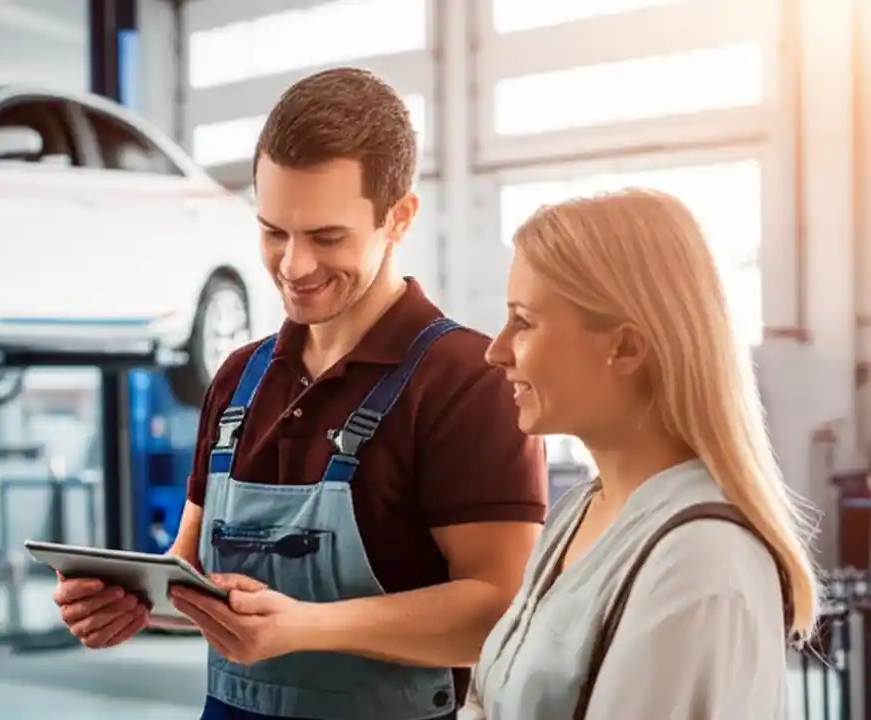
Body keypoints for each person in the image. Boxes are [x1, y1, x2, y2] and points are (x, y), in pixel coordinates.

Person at [52, 67, 548, 719]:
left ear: (398, 217)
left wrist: (307, 627)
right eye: (273, 231)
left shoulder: (468, 380)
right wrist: (139, 600)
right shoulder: (236, 381)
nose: (293, 265)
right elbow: (193, 570)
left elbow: (500, 612)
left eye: (326, 237)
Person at [463, 188, 820, 719]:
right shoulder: (578, 514)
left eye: (524, 321)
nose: (495, 350)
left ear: (626, 348)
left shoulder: (702, 564)